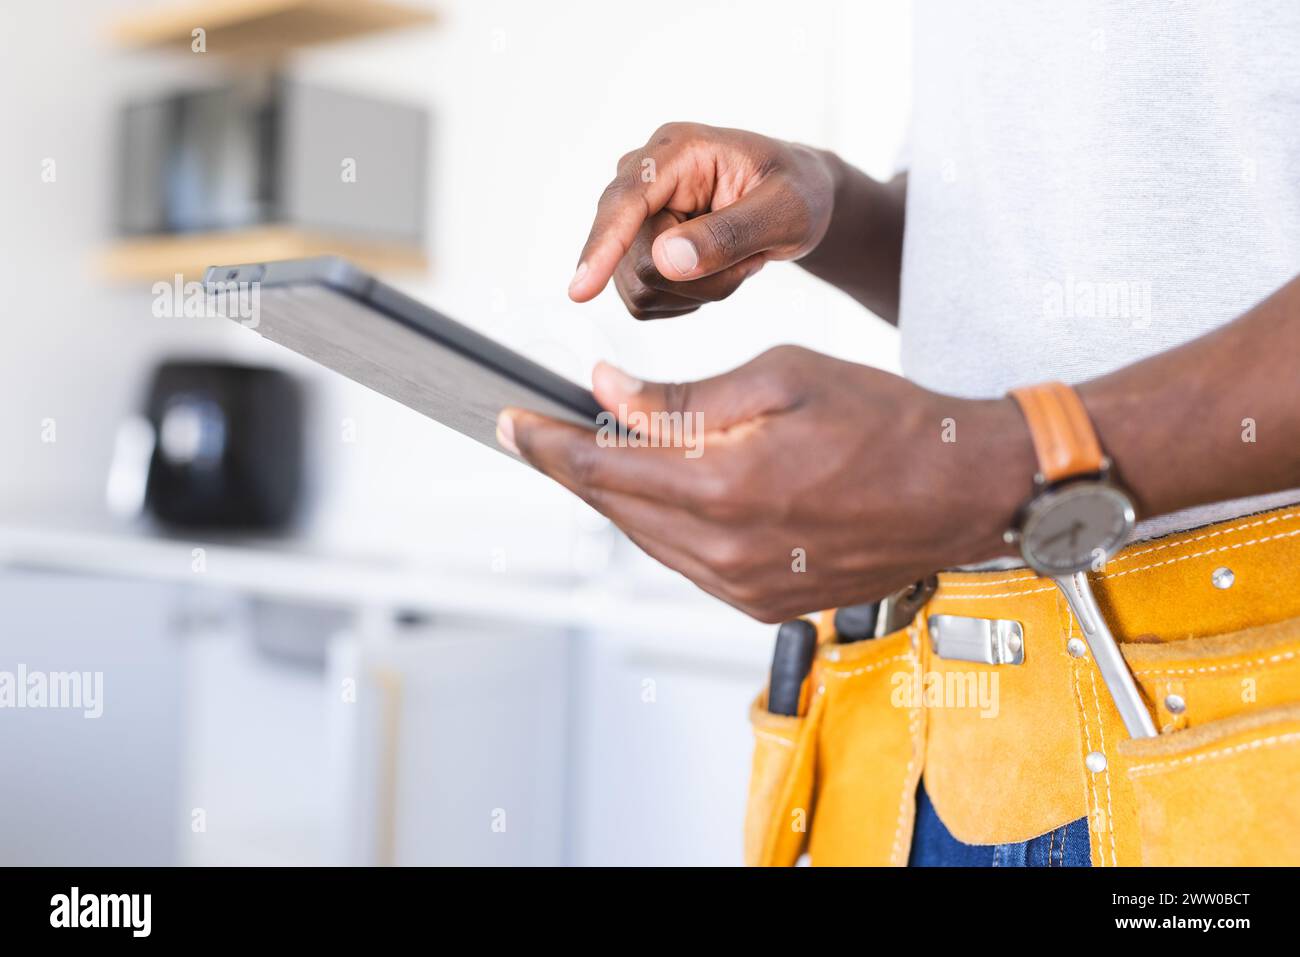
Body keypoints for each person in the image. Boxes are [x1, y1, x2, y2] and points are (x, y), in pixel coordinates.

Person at [494, 3, 1300, 867]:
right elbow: (994, 250)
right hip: (946, 754)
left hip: (1233, 731)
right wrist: (828, 201)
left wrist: (1012, 457)